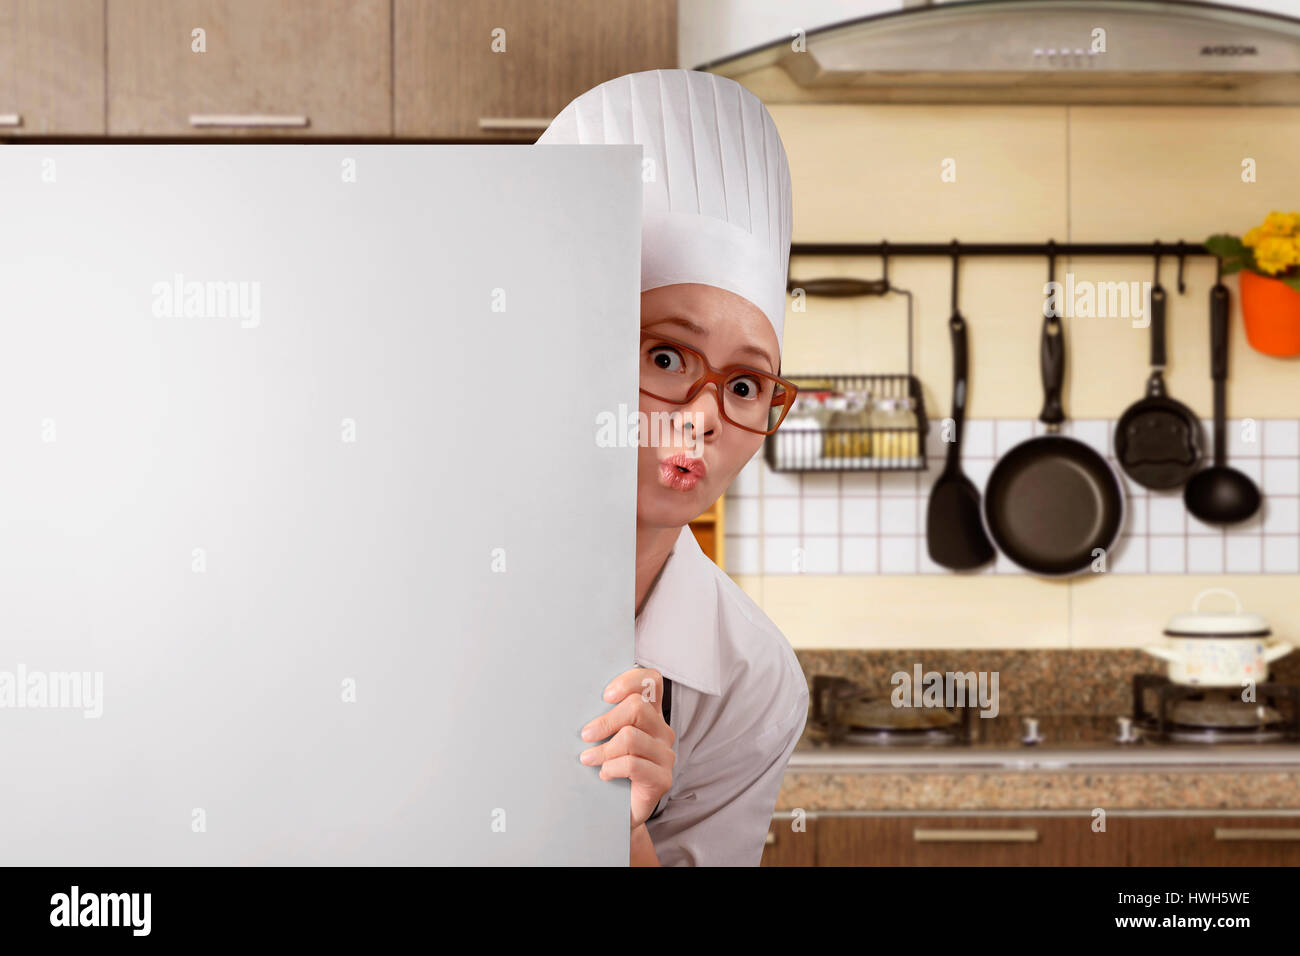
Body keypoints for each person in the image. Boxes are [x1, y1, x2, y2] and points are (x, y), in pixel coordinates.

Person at [537, 69, 809, 866]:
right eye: (665, 355)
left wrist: (619, 831)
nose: (701, 419)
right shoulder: (417, 566)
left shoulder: (753, 679)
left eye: (747, 385)